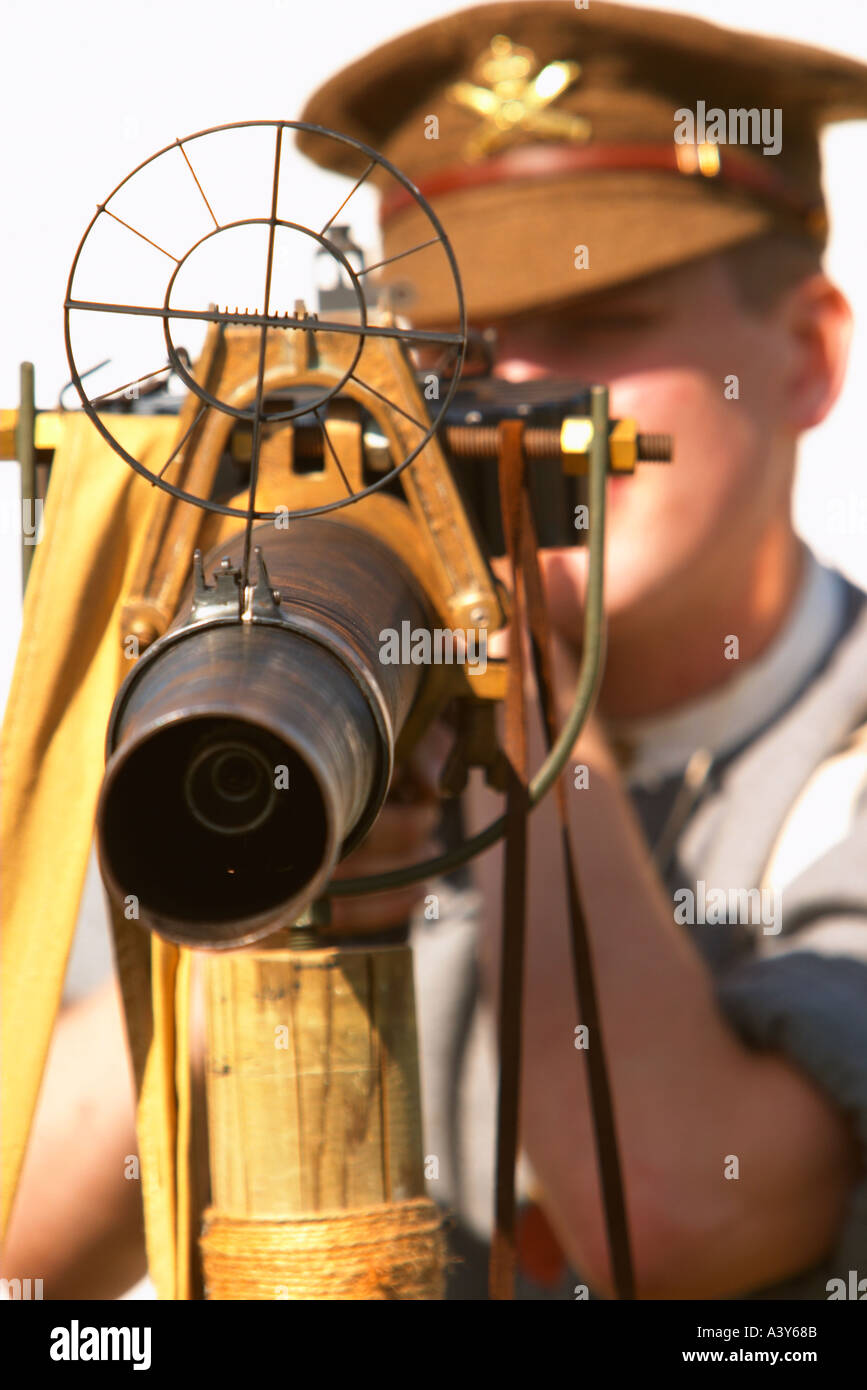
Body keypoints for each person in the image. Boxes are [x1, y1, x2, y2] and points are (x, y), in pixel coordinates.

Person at [4, 0, 867, 1300]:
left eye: (597, 324)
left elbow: (696, 1217)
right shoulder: (294, 685)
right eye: (445, 353)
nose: (496, 404)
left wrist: (505, 712)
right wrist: (277, 868)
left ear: (803, 355)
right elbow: (28, 1239)